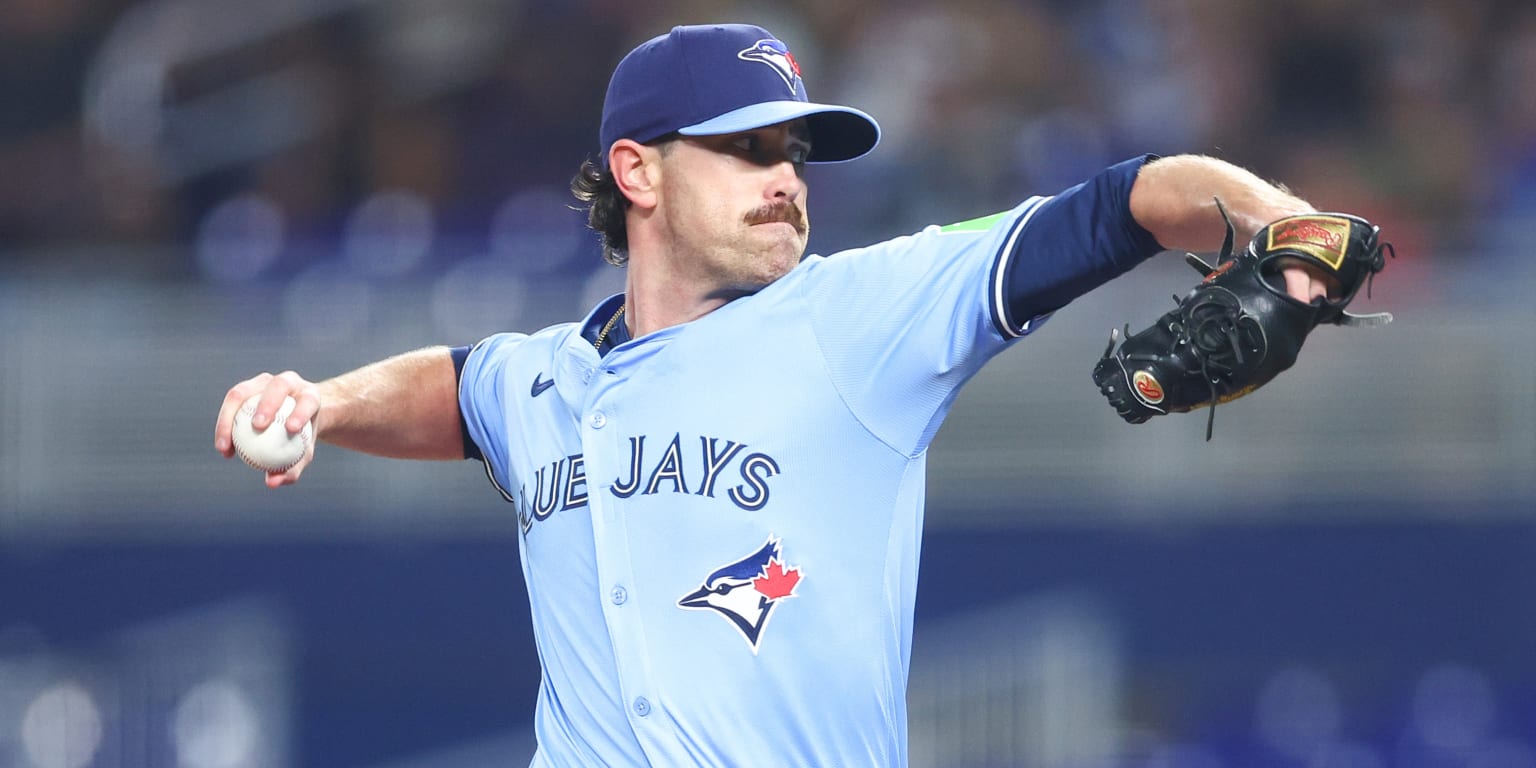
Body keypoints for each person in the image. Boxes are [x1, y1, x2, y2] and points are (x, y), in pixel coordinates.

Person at [215, 22, 1343, 767]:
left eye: (794, 154)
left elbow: (1124, 202)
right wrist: (322, 400)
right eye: (745, 151)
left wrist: (1285, 236)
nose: (786, 181)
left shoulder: (859, 317)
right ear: (636, 170)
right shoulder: (546, 377)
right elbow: (462, 392)